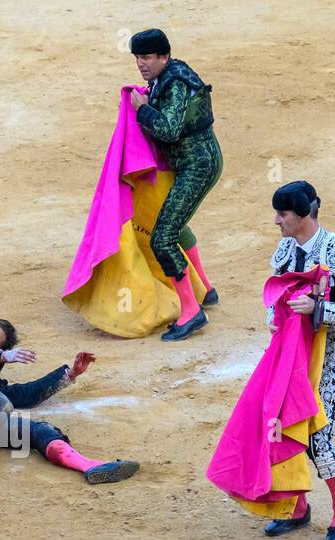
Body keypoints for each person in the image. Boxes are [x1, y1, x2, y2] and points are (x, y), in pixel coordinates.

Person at [260, 181, 335, 540]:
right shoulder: (285, 251)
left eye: (282, 214)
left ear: (303, 215)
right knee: (279, 423)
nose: (277, 221)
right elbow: (275, 298)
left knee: (316, 432)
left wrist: (318, 310)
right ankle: (297, 505)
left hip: (331, 356)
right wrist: (272, 317)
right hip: (291, 355)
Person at [0, 310, 139, 483]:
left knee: (39, 430)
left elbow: (24, 395)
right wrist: (1, 356)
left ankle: (87, 466)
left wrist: (70, 374)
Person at [129, 29, 223, 341]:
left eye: (146, 57)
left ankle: (191, 311)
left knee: (163, 238)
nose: (141, 64)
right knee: (175, 225)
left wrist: (142, 109)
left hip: (197, 165)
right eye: (138, 58)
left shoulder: (176, 81)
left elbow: (168, 130)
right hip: (190, 163)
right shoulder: (165, 77)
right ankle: (204, 289)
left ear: (163, 56)